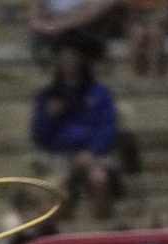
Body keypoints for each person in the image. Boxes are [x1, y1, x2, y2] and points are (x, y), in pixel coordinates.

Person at [29, 38, 120, 220]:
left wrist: (92, 151)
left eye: (73, 58)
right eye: (64, 59)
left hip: (94, 152)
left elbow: (108, 126)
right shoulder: (47, 96)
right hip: (60, 154)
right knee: (53, 186)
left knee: (99, 179)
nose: (69, 64)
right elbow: (39, 135)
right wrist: (49, 117)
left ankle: (102, 222)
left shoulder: (99, 93)